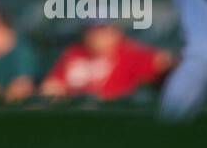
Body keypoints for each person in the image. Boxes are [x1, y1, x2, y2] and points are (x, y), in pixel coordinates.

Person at [39, 23, 173, 100]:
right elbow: (52, 85)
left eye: (103, 30)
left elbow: (165, 62)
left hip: (115, 117)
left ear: (116, 32)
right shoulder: (74, 53)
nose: (97, 36)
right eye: (93, 30)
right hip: (76, 115)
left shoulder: (130, 54)